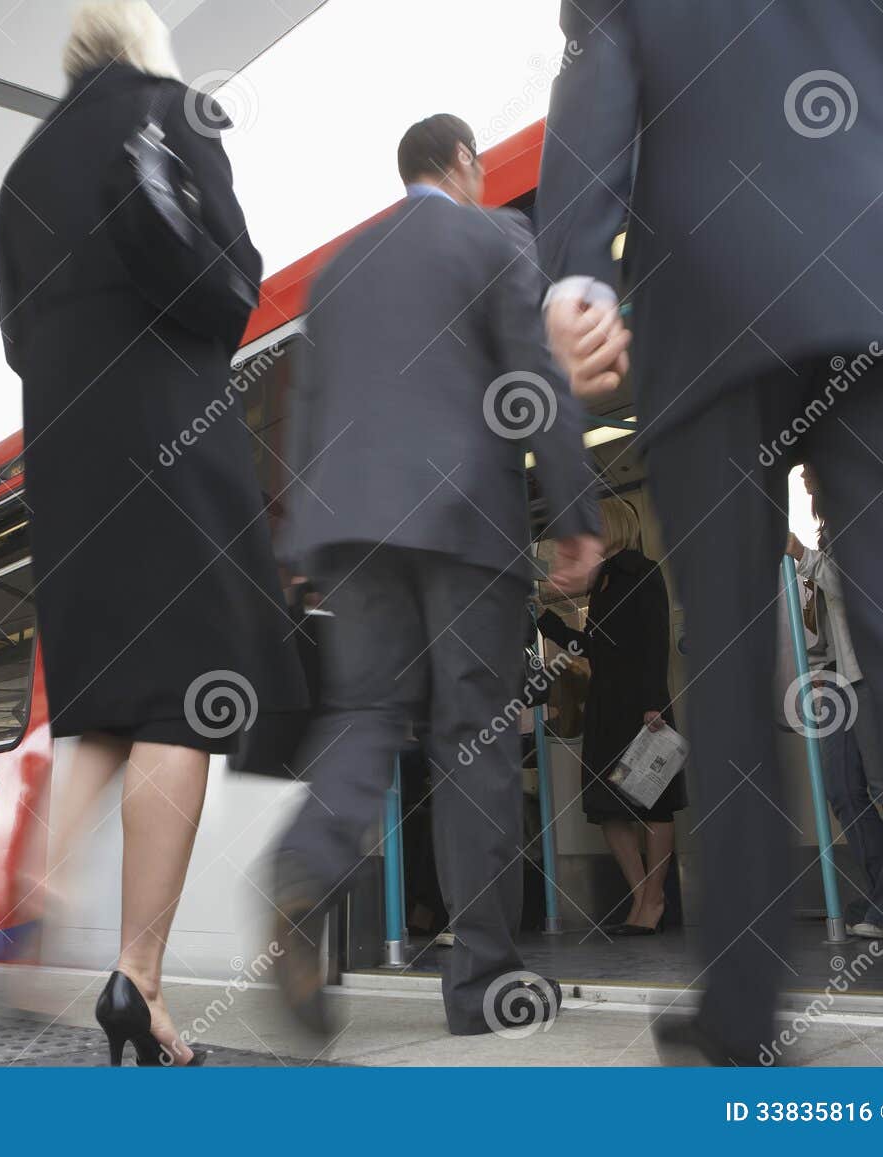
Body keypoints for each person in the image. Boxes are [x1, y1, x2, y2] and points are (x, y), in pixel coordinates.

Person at [537, 0, 883, 1065]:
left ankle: (740, 1007)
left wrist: (576, 272)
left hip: (706, 305)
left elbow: (598, 62)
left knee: (726, 683)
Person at [0, 0, 305, 1065]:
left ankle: (47, 869)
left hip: (66, 455)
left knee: (104, 699)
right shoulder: (171, 111)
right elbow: (220, 272)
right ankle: (140, 976)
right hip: (168, 429)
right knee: (184, 689)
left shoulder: (21, 172)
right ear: (143, 40)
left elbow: (15, 336)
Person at [268, 113, 604, 1037]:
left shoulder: (339, 270)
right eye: (480, 164)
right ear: (462, 163)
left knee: (365, 714)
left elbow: (307, 412)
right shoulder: (495, 237)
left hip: (352, 532)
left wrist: (300, 546)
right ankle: (482, 979)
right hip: (465, 524)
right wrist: (576, 512)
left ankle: (307, 857)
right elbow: (532, 378)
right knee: (474, 742)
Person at [538, 545, 685, 935]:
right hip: (606, 704)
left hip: (640, 702)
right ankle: (643, 898)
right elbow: (595, 648)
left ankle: (652, 901)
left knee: (653, 801)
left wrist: (654, 700)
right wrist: (548, 624)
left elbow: (655, 636)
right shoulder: (600, 583)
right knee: (608, 807)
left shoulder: (643, 572)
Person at [787, 469, 883, 940]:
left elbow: (858, 590)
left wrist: (801, 557)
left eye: (812, 471)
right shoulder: (828, 533)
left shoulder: (865, 519)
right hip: (839, 677)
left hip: (871, 675)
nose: (809, 480)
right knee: (844, 791)